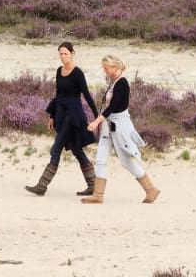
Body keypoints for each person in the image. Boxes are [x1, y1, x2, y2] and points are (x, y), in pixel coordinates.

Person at [82, 54, 160, 204]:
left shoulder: (122, 83)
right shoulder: (113, 82)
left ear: (114, 67)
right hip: (108, 127)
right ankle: (98, 195)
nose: (104, 70)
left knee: (126, 162)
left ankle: (151, 189)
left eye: (106, 68)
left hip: (119, 127)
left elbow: (113, 106)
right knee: (100, 160)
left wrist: (96, 121)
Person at [24, 41, 98, 197]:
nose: (63, 57)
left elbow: (86, 94)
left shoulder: (78, 73)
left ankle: (41, 186)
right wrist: (52, 116)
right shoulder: (59, 71)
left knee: (55, 149)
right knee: (77, 151)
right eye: (61, 54)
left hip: (73, 116)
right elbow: (58, 95)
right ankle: (93, 184)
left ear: (72, 53)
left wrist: (97, 117)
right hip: (61, 114)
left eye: (66, 54)